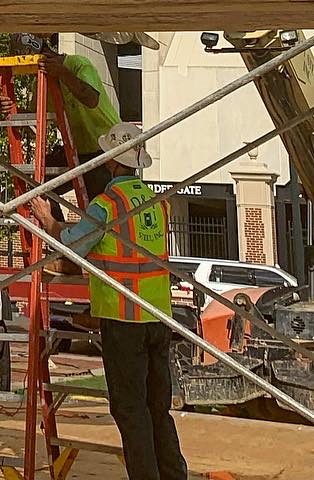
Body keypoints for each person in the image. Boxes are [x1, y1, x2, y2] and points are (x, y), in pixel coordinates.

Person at [61, 122, 188, 480]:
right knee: (156, 409)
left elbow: (74, 244)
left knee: (131, 411)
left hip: (123, 322)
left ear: (111, 162)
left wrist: (48, 222)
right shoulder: (158, 204)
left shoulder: (108, 205)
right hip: (158, 319)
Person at [31, 37, 121, 197]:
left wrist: (63, 73)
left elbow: (91, 99)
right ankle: (52, 222)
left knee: (102, 204)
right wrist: (12, 109)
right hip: (76, 152)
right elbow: (33, 118)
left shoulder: (78, 65)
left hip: (106, 149)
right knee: (40, 188)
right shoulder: (40, 82)